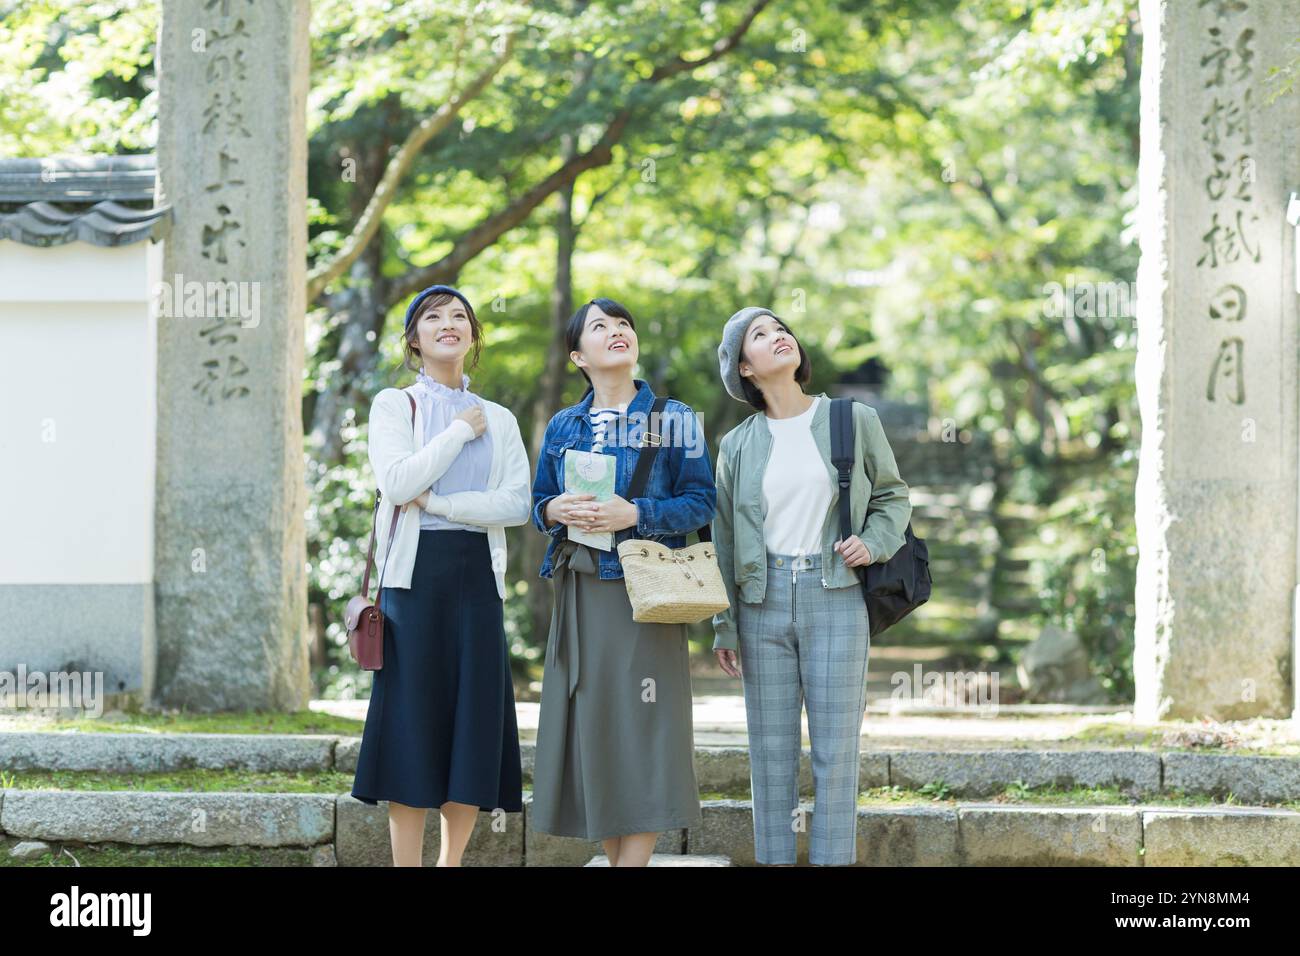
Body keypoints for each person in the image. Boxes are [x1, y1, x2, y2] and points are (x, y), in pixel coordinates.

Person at [710, 306, 912, 866]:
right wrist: (724, 624)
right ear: (744, 369)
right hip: (760, 602)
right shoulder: (737, 445)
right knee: (770, 757)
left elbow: (893, 497)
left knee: (835, 754)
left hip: (836, 595)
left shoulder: (851, 419)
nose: (778, 337)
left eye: (780, 329)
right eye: (759, 335)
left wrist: (872, 542)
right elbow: (724, 541)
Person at [529, 297, 717, 867]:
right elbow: (538, 505)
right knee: (599, 731)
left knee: (646, 731)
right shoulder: (565, 424)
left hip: (646, 596)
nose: (617, 332)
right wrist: (556, 508)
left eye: (624, 325)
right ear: (577, 355)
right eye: (600, 327)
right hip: (580, 593)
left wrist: (635, 514)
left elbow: (702, 501)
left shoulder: (674, 417)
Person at [350, 284, 531, 867]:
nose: (448, 323)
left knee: (473, 725)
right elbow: (398, 484)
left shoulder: (499, 419)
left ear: (473, 336)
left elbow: (516, 505)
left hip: (477, 579)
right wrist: (457, 432)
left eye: (460, 316)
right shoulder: (393, 406)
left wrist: (446, 505)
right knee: (412, 724)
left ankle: (450, 864)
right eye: (434, 317)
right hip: (412, 582)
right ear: (415, 338)